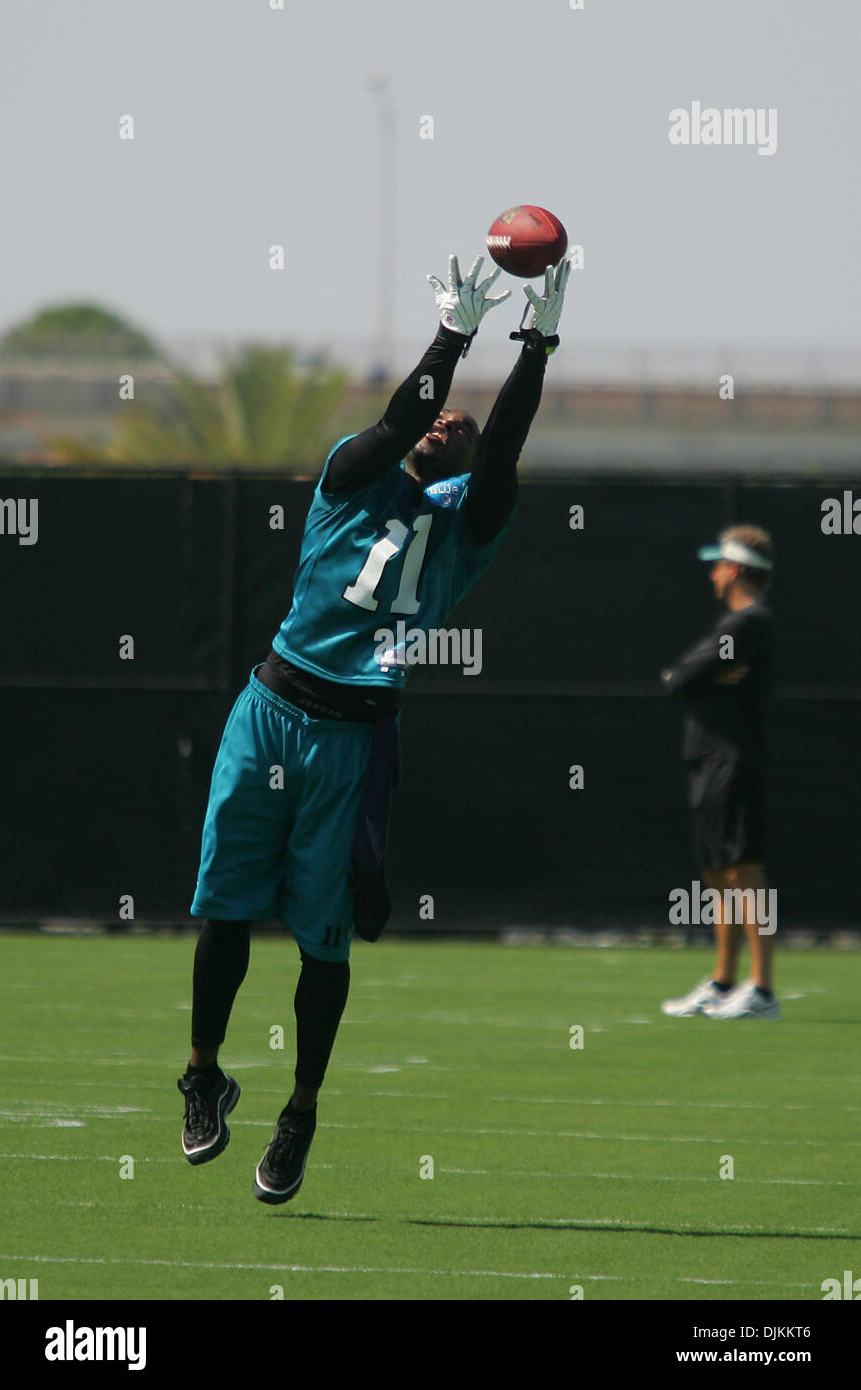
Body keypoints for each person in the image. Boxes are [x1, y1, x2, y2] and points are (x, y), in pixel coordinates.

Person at [177, 253, 571, 1201]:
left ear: (469, 465)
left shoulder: (468, 528)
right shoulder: (352, 479)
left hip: (352, 740)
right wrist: (452, 334)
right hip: (270, 708)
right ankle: (202, 1073)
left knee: (326, 942)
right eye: (443, 415)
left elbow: (506, 444)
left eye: (460, 427)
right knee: (224, 908)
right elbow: (401, 417)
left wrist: (539, 341)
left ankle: (301, 1110)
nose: (447, 422)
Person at [660, 525, 778, 1020]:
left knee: (742, 868)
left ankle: (762, 990)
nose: (712, 574)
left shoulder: (750, 623)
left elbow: (683, 676)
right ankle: (723, 980)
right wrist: (693, 676)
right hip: (708, 758)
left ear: (734, 568)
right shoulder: (734, 626)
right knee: (715, 871)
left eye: (718, 564)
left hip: (733, 758)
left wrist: (692, 677)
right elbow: (682, 677)